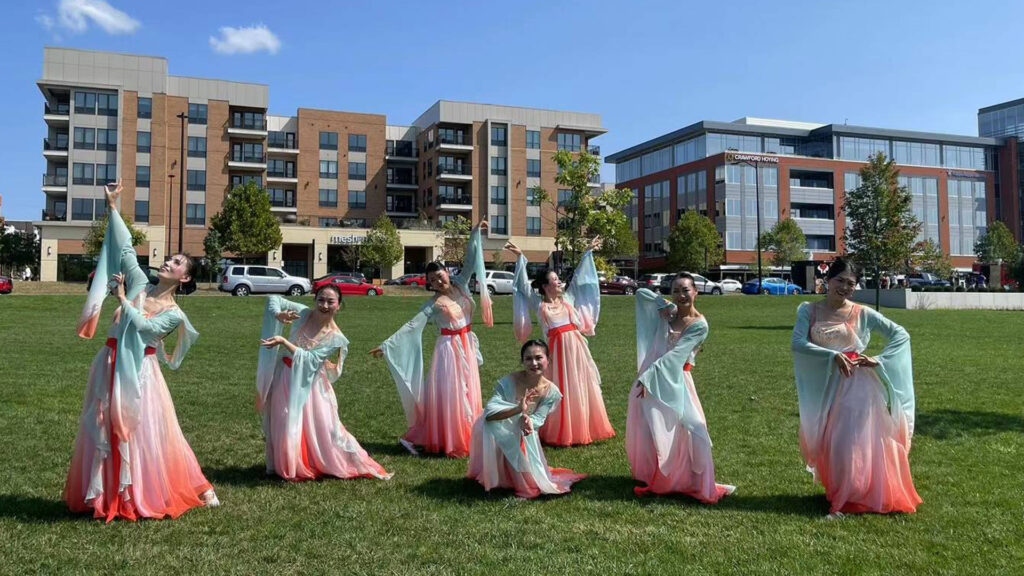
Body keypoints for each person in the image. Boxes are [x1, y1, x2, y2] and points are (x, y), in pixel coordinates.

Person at [65, 180, 217, 522]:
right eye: (169, 258)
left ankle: (159, 489)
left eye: (176, 263)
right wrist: (114, 207)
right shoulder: (139, 283)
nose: (168, 262)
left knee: (144, 432)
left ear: (185, 279)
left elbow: (148, 329)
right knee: (102, 425)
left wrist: (122, 301)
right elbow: (126, 249)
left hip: (140, 374)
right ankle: (105, 494)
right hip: (110, 361)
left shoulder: (174, 314)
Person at [791, 258, 921, 516]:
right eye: (840, 280)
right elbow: (797, 342)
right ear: (827, 280)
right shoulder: (809, 310)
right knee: (830, 440)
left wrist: (877, 360)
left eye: (851, 284)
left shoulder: (862, 312)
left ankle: (850, 498)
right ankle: (844, 489)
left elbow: (900, 334)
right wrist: (831, 356)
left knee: (850, 441)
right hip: (828, 385)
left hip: (857, 385)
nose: (844, 287)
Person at [371, 219, 493, 457]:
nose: (438, 282)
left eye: (440, 276)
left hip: (467, 343)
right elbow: (412, 325)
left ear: (447, 273)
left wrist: (475, 233)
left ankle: (469, 432)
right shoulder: (433, 304)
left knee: (469, 390)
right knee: (454, 393)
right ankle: (451, 437)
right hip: (448, 349)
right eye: (433, 280)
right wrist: (386, 346)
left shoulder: (462, 285)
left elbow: (470, 259)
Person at [257, 286, 391, 481]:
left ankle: (315, 461)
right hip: (284, 376)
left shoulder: (336, 338)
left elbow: (311, 360)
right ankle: (288, 463)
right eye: (321, 300)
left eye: (330, 301)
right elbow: (273, 297)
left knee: (320, 427)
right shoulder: (303, 313)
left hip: (309, 385)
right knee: (283, 420)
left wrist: (284, 342)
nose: (324, 305)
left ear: (339, 306)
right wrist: (279, 314)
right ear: (315, 300)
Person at [626, 275, 735, 502]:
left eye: (685, 290)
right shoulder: (670, 312)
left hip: (677, 379)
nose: (681, 295)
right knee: (656, 426)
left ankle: (694, 481)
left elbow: (677, 356)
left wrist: (648, 377)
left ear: (696, 292)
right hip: (655, 377)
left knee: (694, 427)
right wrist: (662, 304)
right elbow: (641, 294)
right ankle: (662, 475)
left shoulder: (700, 325)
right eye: (675, 290)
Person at [505, 238, 615, 447]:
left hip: (576, 351)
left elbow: (581, 278)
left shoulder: (569, 300)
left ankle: (584, 426)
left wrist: (588, 252)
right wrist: (521, 258)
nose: (559, 282)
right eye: (555, 280)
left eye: (559, 279)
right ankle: (560, 429)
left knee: (581, 387)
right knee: (558, 389)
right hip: (556, 355)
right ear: (546, 286)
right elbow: (522, 287)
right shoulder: (539, 305)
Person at [467, 340, 585, 499]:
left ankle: (514, 474)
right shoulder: (509, 381)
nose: (534, 363)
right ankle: (500, 475)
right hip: (494, 426)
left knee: (524, 441)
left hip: (524, 428)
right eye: (528, 359)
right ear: (522, 361)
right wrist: (517, 410)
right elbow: (490, 414)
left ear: (547, 360)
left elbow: (539, 418)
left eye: (538, 358)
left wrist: (529, 421)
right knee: (509, 435)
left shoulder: (552, 392)